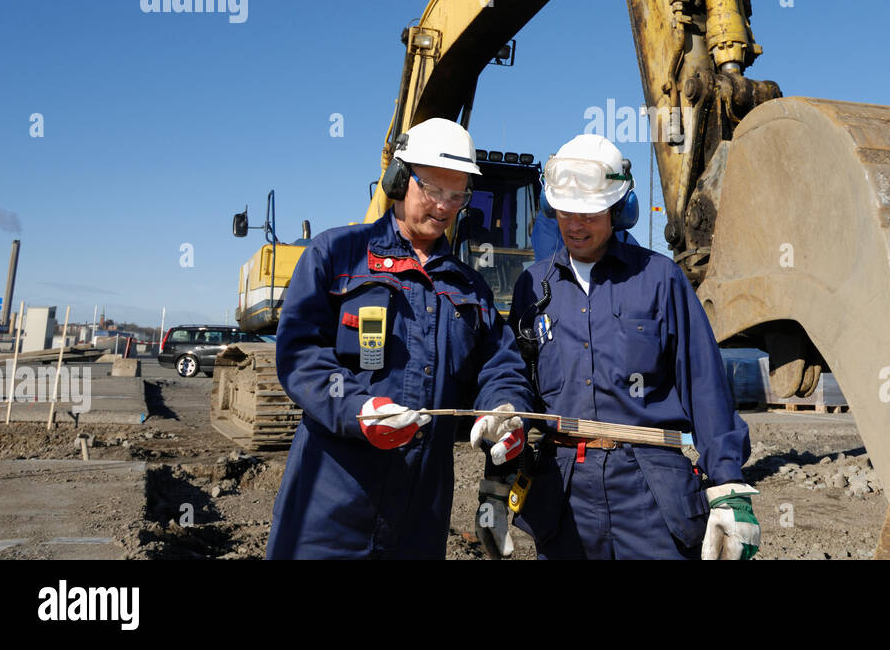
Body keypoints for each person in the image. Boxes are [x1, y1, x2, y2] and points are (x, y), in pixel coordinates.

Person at [478, 134, 759, 560]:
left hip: (650, 492)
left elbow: (704, 384)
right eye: (565, 212)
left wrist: (728, 487)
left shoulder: (660, 279)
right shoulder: (532, 287)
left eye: (589, 214)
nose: (575, 225)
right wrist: (497, 482)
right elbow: (515, 382)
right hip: (563, 490)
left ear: (618, 210)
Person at [267, 118, 532, 559]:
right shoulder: (337, 255)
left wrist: (504, 407)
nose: (445, 206)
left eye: (457, 195)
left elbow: (498, 364)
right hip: (328, 508)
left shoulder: (470, 288)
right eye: (432, 190)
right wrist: (356, 408)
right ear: (400, 179)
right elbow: (300, 352)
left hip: (419, 518)